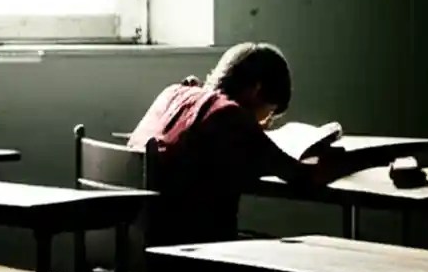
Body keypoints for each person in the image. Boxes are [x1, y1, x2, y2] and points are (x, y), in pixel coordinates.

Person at [127, 41, 348, 247]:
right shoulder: (229, 116)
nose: (264, 123)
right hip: (187, 246)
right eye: (268, 113)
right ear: (257, 90)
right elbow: (301, 176)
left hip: (131, 232)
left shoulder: (174, 93)